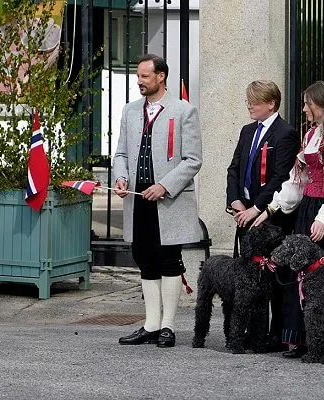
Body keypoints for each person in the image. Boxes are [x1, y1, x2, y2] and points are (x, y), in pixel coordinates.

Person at [251, 81, 324, 358]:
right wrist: (269, 209)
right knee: (302, 278)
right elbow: (296, 182)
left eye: (307, 104)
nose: (303, 109)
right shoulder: (311, 136)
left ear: (322, 106)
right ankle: (304, 340)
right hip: (308, 210)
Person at [113, 54, 202, 348]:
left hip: (169, 201)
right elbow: (121, 154)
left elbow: (193, 160)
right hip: (138, 201)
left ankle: (168, 326)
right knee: (145, 260)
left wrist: (164, 185)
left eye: (145, 77)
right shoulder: (130, 111)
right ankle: (151, 324)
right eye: (138, 76)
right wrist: (121, 178)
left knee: (169, 261)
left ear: (161, 77)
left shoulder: (184, 111)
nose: (139, 81)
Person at [226, 80, 300, 352]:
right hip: (244, 210)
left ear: (271, 103)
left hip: (269, 217)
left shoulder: (285, 134)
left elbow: (280, 177)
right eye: (248, 99)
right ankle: (254, 334)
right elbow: (234, 168)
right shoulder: (247, 131)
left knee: (272, 276)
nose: (249, 105)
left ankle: (277, 334)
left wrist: (257, 209)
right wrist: (235, 201)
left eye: (254, 100)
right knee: (249, 275)